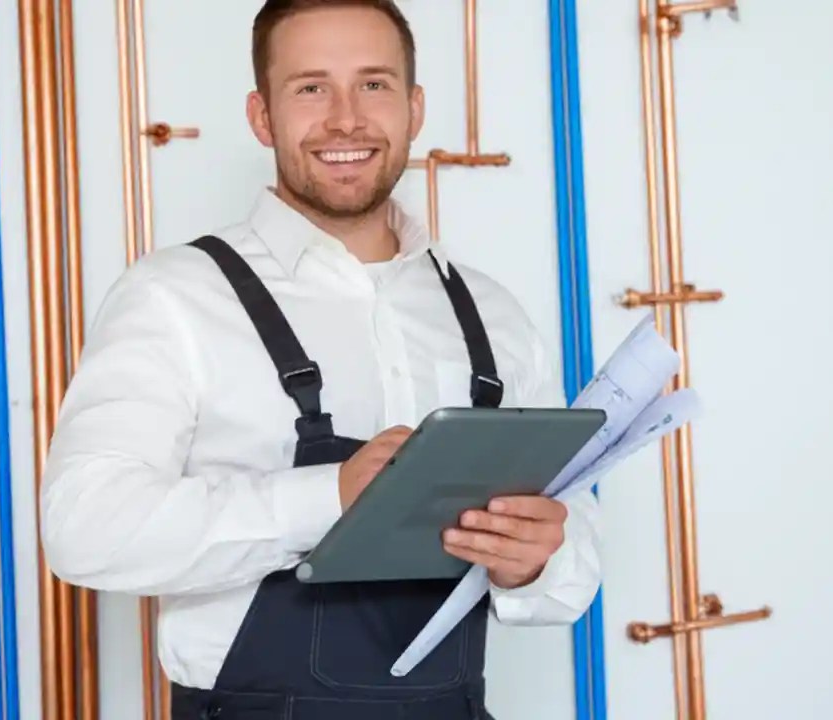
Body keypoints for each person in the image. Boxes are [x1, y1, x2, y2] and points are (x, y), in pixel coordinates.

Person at [40, 1, 603, 717]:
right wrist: (328, 496)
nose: (346, 119)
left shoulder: (492, 314)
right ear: (262, 116)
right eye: (311, 87)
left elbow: (575, 554)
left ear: (414, 108)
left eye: (373, 84)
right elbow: (85, 529)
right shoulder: (174, 296)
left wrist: (536, 560)